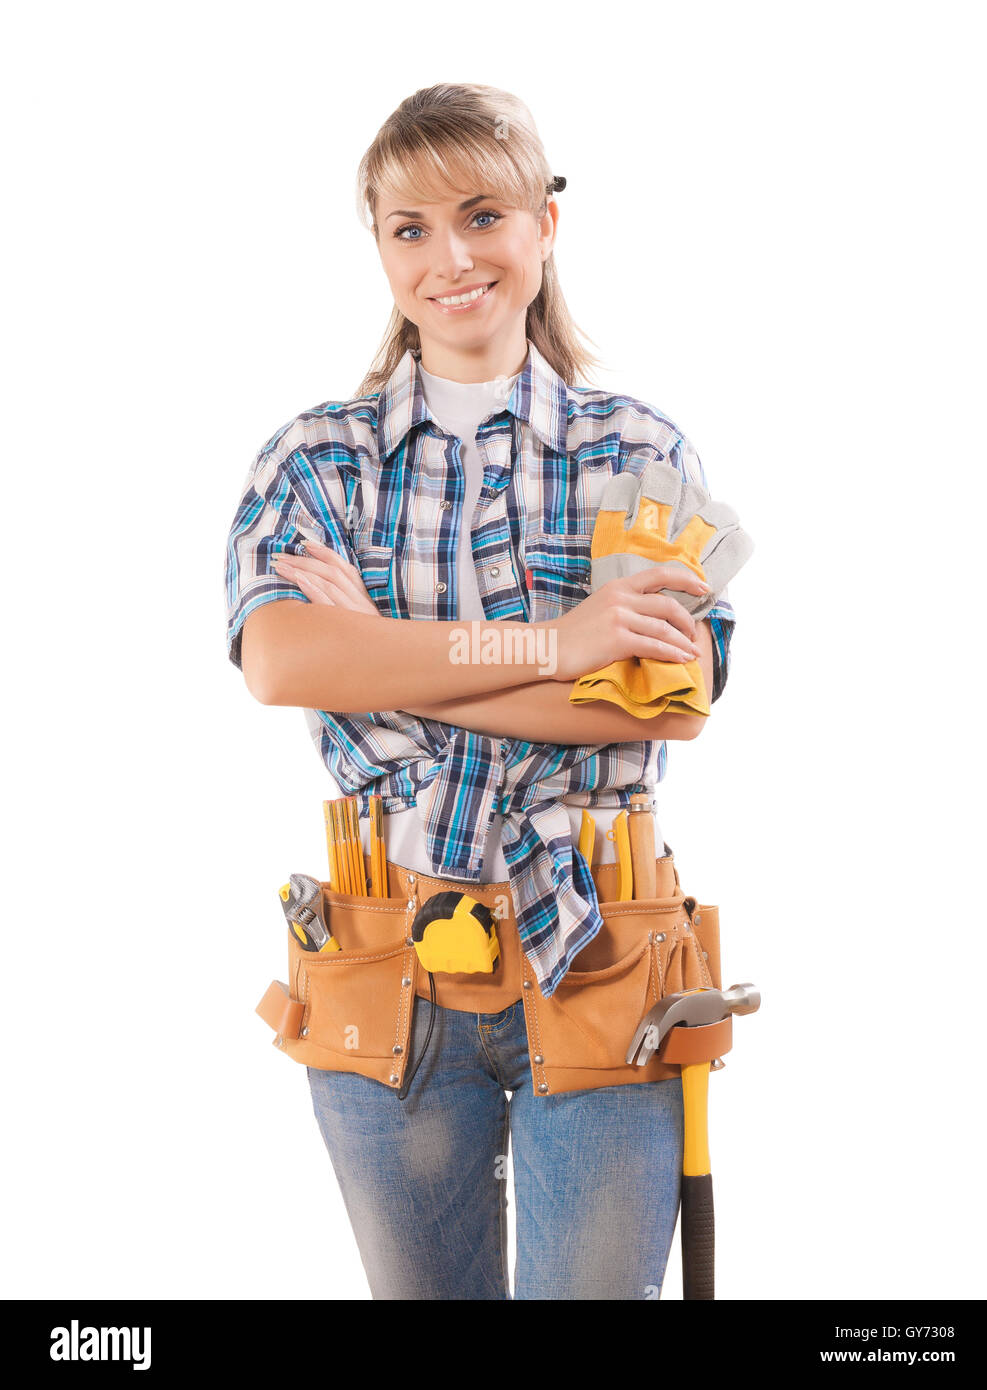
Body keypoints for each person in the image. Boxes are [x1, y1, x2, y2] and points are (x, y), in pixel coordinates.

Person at [224, 82, 737, 1300]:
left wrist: (386, 657)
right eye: (410, 228)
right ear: (380, 248)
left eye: (483, 214)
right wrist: (558, 644)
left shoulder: (638, 452)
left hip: (602, 952)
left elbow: (664, 702)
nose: (450, 258)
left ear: (545, 226)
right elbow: (283, 662)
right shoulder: (315, 460)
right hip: (380, 960)